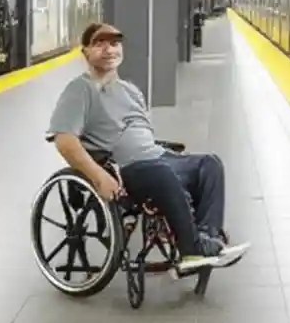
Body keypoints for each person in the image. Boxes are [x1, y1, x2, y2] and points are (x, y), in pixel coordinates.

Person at [47, 22, 249, 276]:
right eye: (99, 43)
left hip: (156, 157)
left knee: (210, 164)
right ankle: (192, 249)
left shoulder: (131, 90)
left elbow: (142, 135)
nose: (109, 49)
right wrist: (99, 177)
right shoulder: (80, 90)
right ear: (86, 51)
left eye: (114, 43)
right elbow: (64, 140)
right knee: (161, 172)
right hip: (124, 168)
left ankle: (207, 240)